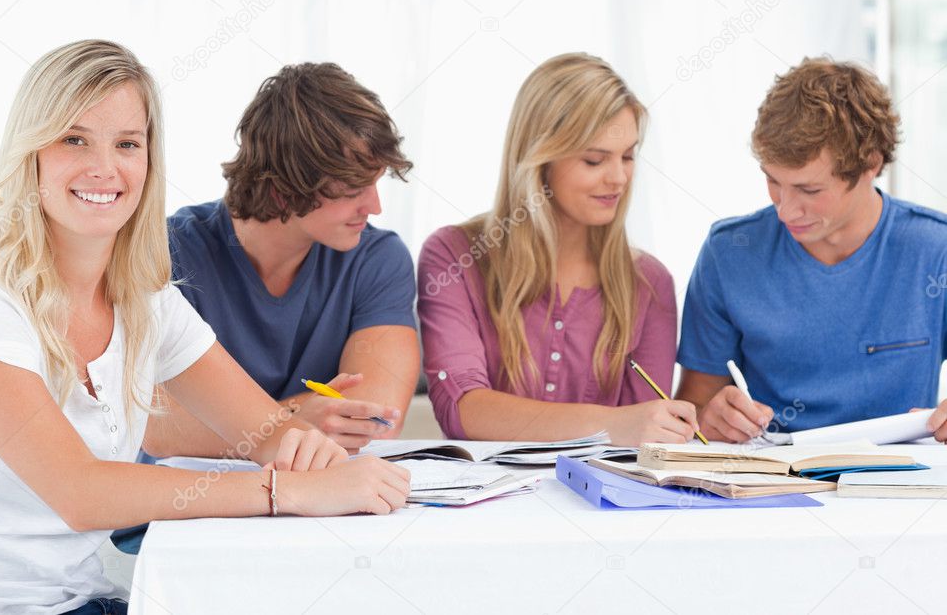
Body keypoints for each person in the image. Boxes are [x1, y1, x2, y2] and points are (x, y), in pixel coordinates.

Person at [0, 40, 409, 615]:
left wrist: (323, 463)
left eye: (127, 144)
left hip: (92, 598)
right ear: (30, 153)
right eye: (73, 139)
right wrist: (289, 490)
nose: (105, 167)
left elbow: (268, 434)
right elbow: (80, 492)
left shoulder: (146, 300)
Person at [417, 52, 699, 445]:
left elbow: (647, 432)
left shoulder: (649, 284)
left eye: (628, 156)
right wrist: (614, 425)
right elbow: (464, 411)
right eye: (594, 160)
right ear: (540, 159)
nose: (618, 178)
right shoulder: (454, 256)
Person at [142, 62, 419, 459]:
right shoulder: (166, 253)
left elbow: (373, 421)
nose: (373, 206)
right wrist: (298, 417)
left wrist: (258, 425)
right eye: (354, 188)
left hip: (320, 501)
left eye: (375, 183)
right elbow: (157, 428)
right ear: (283, 187)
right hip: (184, 508)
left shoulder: (378, 259)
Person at [676, 57, 947, 442]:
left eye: (809, 190)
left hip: (899, 488)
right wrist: (710, 419)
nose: (785, 209)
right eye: (773, 181)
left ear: (869, 165)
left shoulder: (935, 250)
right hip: (772, 483)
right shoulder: (729, 254)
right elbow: (693, 409)